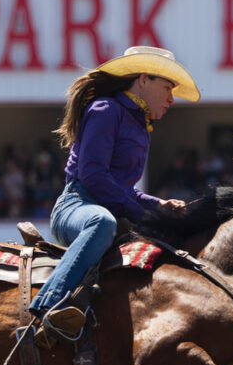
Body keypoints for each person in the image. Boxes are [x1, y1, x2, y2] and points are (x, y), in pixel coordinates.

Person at [28, 46, 200, 348]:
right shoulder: (106, 110)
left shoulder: (138, 123)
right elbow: (93, 177)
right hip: (77, 206)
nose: (172, 99)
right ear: (143, 80)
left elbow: (123, 188)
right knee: (102, 222)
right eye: (167, 88)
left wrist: (157, 205)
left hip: (108, 208)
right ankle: (48, 307)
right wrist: (139, 213)